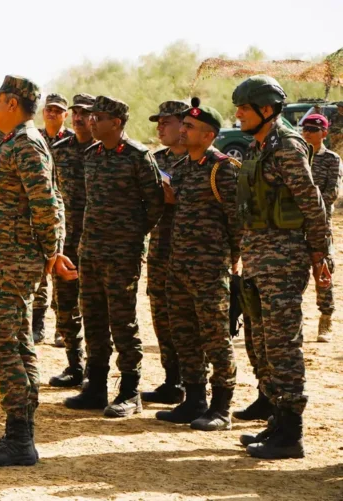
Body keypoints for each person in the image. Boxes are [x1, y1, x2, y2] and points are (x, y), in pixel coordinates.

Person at [0, 75, 74, 467]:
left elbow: (47, 202)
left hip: (10, 261)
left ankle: (19, 437)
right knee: (15, 343)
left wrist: (51, 253)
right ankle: (21, 431)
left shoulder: (27, 144)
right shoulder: (15, 142)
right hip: (2, 258)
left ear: (13, 103)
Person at [232, 75, 332, 459]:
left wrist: (319, 255)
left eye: (244, 107)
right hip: (259, 257)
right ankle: (276, 418)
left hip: (284, 260)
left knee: (283, 343)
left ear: (266, 110)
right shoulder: (259, 146)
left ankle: (291, 433)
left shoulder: (287, 146)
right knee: (263, 343)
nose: (238, 114)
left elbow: (312, 203)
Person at [64, 96, 164, 418]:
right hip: (90, 251)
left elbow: (156, 204)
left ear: (117, 123)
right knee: (93, 319)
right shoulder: (91, 156)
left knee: (122, 322)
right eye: (90, 117)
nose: (91, 122)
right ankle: (95, 387)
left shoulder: (138, 156)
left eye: (99, 117)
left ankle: (130, 391)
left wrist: (132, 235)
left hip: (122, 254)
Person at [155, 99, 241, 432]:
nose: (184, 130)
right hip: (178, 265)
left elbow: (236, 219)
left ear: (209, 135)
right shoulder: (183, 167)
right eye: (184, 125)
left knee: (215, 336)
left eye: (190, 127)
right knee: (184, 333)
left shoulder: (222, 167)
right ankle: (193, 399)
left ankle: (222, 406)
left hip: (209, 267)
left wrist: (235, 259)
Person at [141, 100, 190, 405]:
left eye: (166, 122)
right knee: (161, 316)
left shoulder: (203, 161)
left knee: (189, 319)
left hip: (191, 253)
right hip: (159, 250)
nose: (160, 127)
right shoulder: (154, 160)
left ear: (184, 126)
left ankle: (193, 382)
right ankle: (172, 380)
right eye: (158, 122)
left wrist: (176, 199)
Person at [47, 93, 95, 388]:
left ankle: (95, 367)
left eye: (84, 114)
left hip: (96, 241)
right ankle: (74, 364)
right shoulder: (59, 150)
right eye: (75, 113)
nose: (78, 118)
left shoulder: (103, 151)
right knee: (64, 305)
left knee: (93, 307)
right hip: (66, 240)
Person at [32, 92, 75, 344]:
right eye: (49, 109)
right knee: (41, 270)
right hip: (40, 213)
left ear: (65, 115)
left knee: (63, 275)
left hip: (67, 214)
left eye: (58, 111)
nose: (52, 113)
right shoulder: (33, 138)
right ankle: (37, 325)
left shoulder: (72, 141)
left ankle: (63, 326)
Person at [301, 113, 342, 343]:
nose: (307, 132)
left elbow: (332, 193)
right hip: (295, 224)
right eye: (305, 128)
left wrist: (310, 208)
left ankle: (325, 319)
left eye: (313, 129)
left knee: (323, 270)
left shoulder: (332, 159)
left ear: (324, 133)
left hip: (320, 223)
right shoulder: (297, 156)